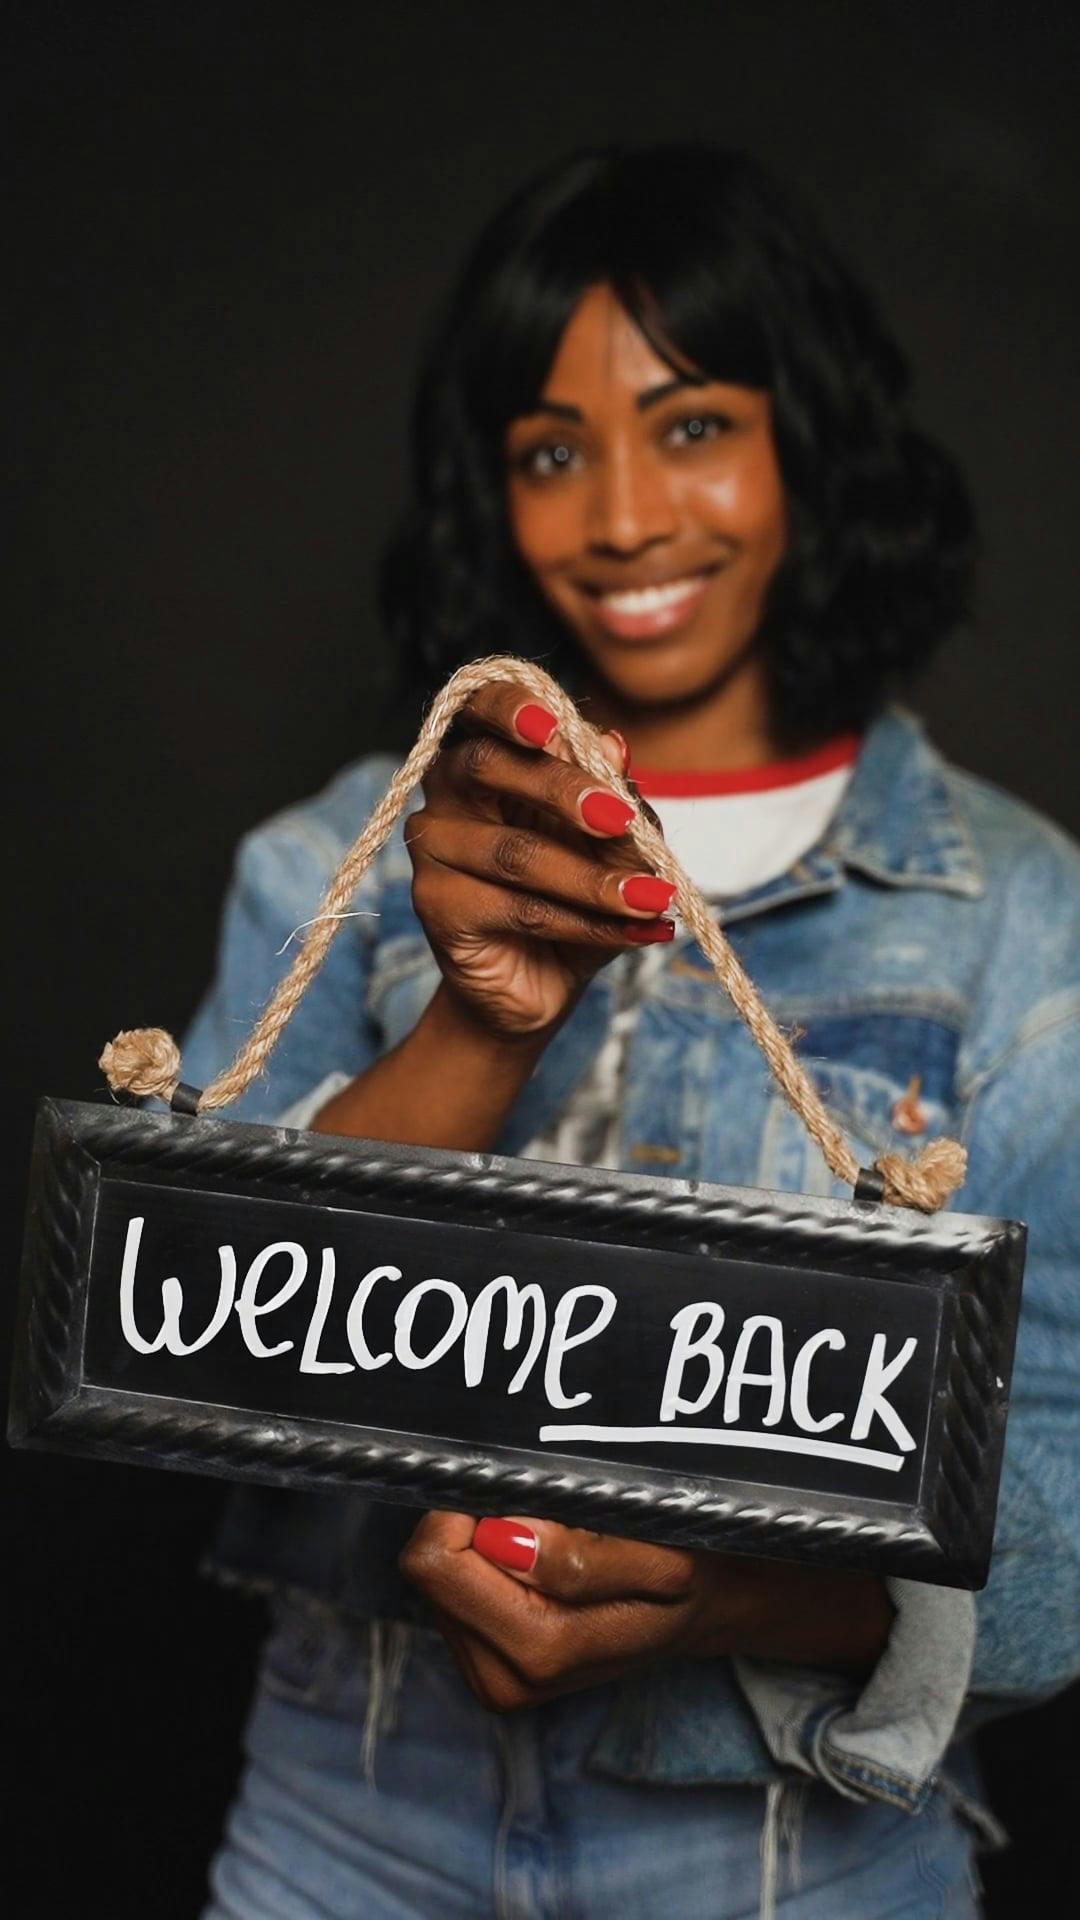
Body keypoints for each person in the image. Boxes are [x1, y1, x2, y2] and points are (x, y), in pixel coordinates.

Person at [181, 146, 1080, 1919]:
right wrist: (478, 1028)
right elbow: (203, 1379)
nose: (619, 519)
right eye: (548, 451)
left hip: (792, 1853)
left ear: (806, 443)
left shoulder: (1026, 926)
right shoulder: (333, 861)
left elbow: (1059, 1519)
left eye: (691, 428)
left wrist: (733, 1598)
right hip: (349, 1817)